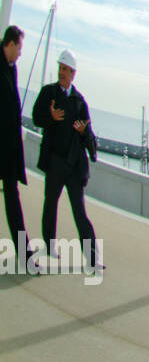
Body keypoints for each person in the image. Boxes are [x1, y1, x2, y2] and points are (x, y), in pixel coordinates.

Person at [33, 49, 99, 273]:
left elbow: (90, 137)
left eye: (65, 69)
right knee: (50, 203)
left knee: (79, 212)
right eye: (60, 68)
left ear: (73, 74)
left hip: (74, 167)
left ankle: (92, 258)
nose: (61, 72)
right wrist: (49, 117)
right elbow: (36, 117)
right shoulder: (48, 93)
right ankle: (50, 246)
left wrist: (83, 133)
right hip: (55, 162)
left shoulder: (79, 102)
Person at [2, 26, 34, 269]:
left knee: (13, 198)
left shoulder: (12, 69)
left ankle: (25, 256)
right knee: (12, 198)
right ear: (10, 44)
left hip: (8, 147)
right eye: (20, 48)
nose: (21, 53)